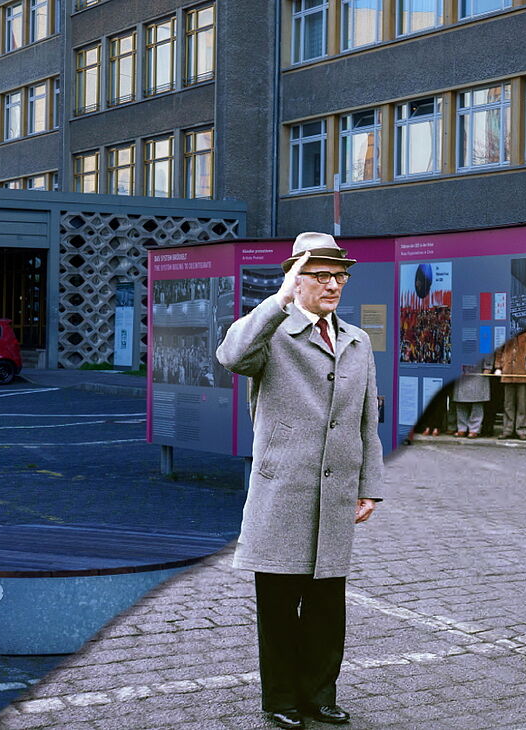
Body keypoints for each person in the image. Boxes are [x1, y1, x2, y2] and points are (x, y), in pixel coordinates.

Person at [215, 232, 383, 729]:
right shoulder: (272, 333)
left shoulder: (357, 339)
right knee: (280, 606)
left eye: (340, 276)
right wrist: (279, 298)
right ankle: (282, 700)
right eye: (321, 276)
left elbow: (365, 421)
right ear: (297, 278)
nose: (333, 285)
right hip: (284, 490)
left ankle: (319, 695)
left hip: (335, 493)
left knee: (328, 607)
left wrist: (369, 485)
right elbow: (232, 355)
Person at [494, 326, 526, 439]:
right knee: (508, 404)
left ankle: (522, 430)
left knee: (522, 403)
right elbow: (499, 348)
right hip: (508, 369)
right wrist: (498, 367)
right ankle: (507, 429)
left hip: (523, 369)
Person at [453, 358, 492, 438]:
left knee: (477, 402)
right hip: (460, 370)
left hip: (478, 370)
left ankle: (474, 429)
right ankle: (462, 428)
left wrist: (488, 366)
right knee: (460, 401)